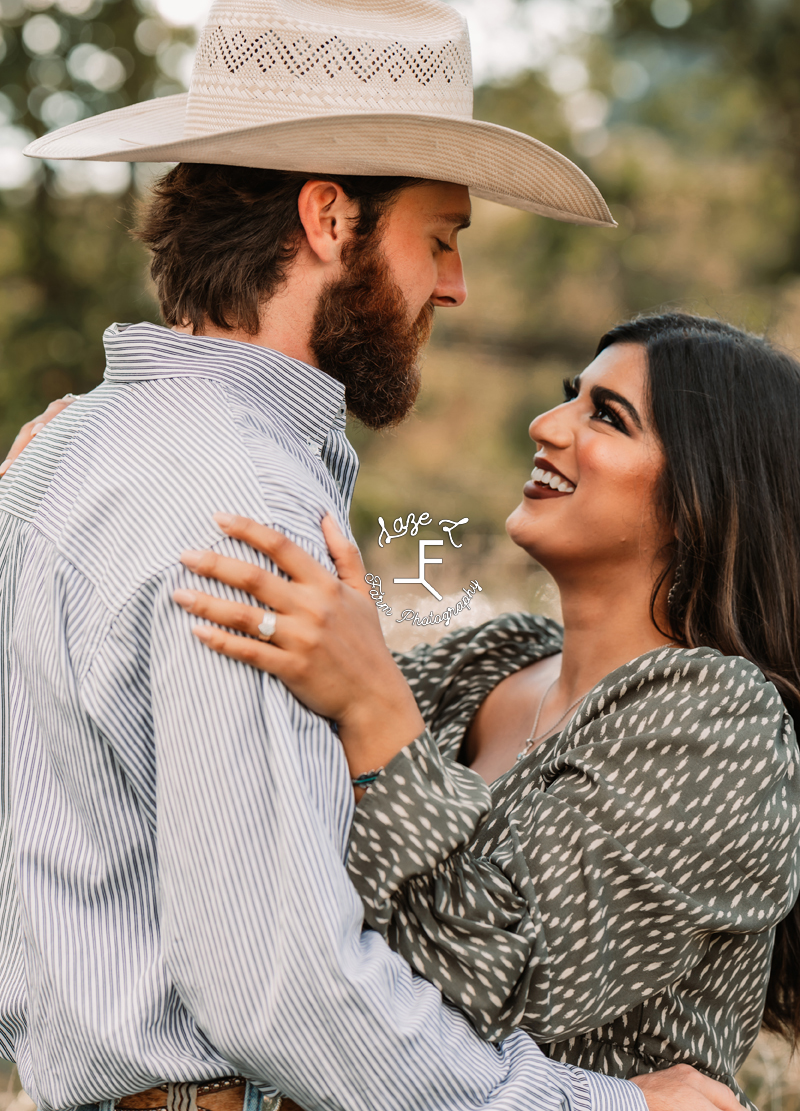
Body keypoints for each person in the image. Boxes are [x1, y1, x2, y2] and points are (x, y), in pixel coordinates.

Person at [0, 0, 736, 1111]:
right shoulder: (245, 506)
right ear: (330, 219)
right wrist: (609, 1107)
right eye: (438, 238)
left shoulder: (64, 457)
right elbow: (285, 992)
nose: (455, 285)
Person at [166, 313, 800, 1101]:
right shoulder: (491, 661)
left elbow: (509, 991)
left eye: (607, 417)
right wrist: (82, 475)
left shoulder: (722, 725)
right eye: (571, 396)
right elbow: (266, 784)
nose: (547, 425)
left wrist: (376, 714)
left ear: (703, 493)